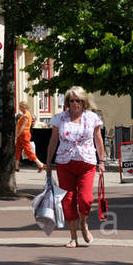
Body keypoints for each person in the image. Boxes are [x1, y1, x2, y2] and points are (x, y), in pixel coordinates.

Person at [45, 86, 105, 248]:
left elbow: (98, 139)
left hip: (87, 162)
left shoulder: (92, 117)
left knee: (86, 199)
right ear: (67, 102)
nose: (75, 103)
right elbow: (53, 141)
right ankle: (73, 237)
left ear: (84, 101)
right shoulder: (60, 118)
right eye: (72, 100)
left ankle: (83, 224)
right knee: (68, 201)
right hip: (64, 163)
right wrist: (48, 162)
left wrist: (102, 161)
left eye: (78, 100)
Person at [15, 101, 45, 171]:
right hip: (21, 135)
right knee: (17, 150)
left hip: (24, 135)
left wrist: (17, 134)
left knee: (28, 150)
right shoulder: (25, 114)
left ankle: (40, 164)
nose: (20, 108)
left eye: (20, 107)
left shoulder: (26, 115)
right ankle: (16, 166)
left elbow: (23, 126)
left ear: (24, 107)